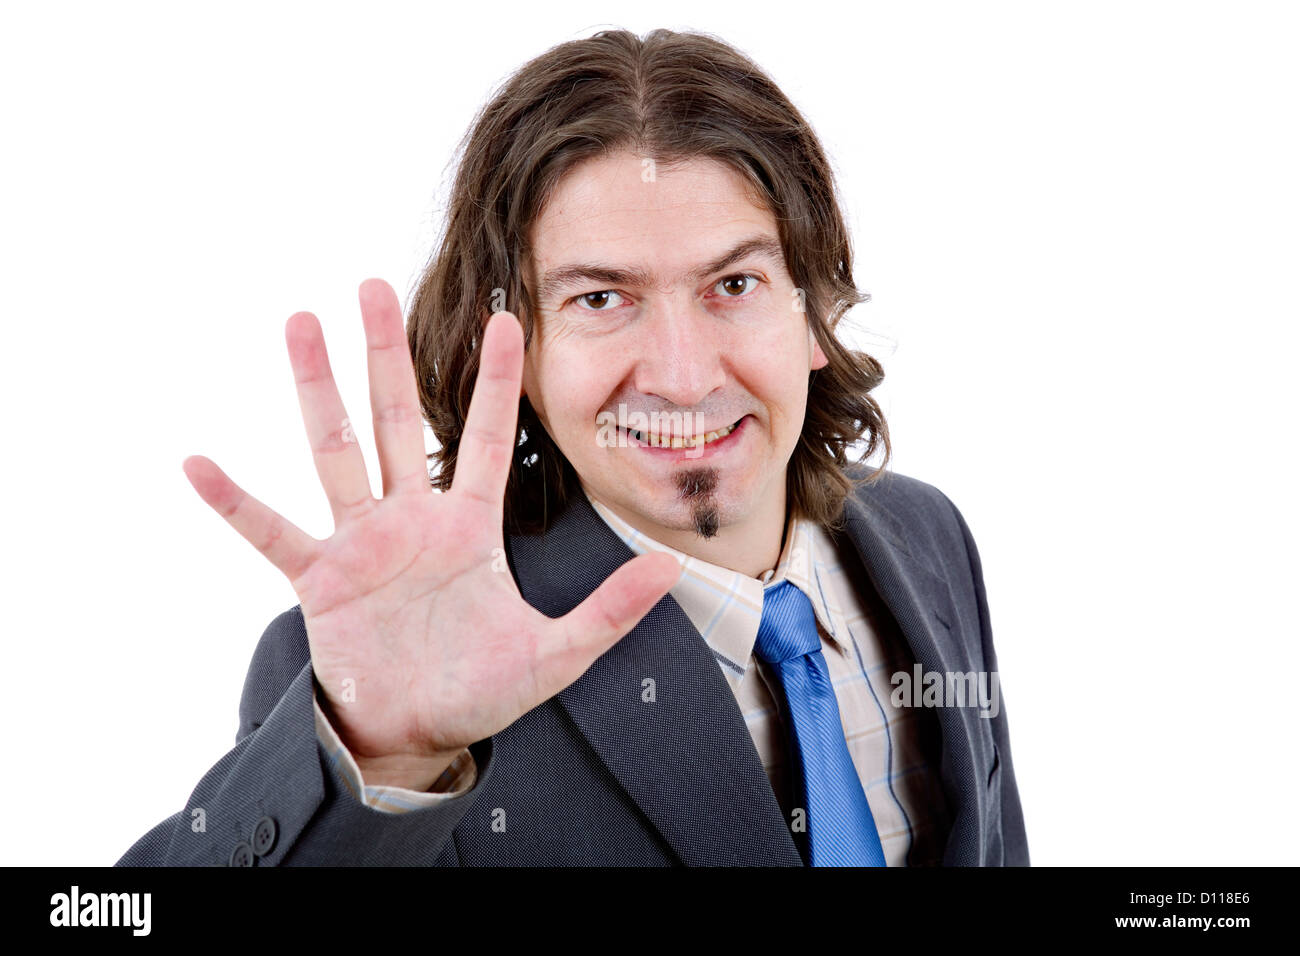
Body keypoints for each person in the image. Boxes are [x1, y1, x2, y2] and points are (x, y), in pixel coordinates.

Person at [118, 27, 1027, 867]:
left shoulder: (925, 536)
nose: (680, 374)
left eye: (735, 283)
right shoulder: (394, 671)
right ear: (512, 351)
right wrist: (381, 760)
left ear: (814, 310)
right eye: (601, 299)